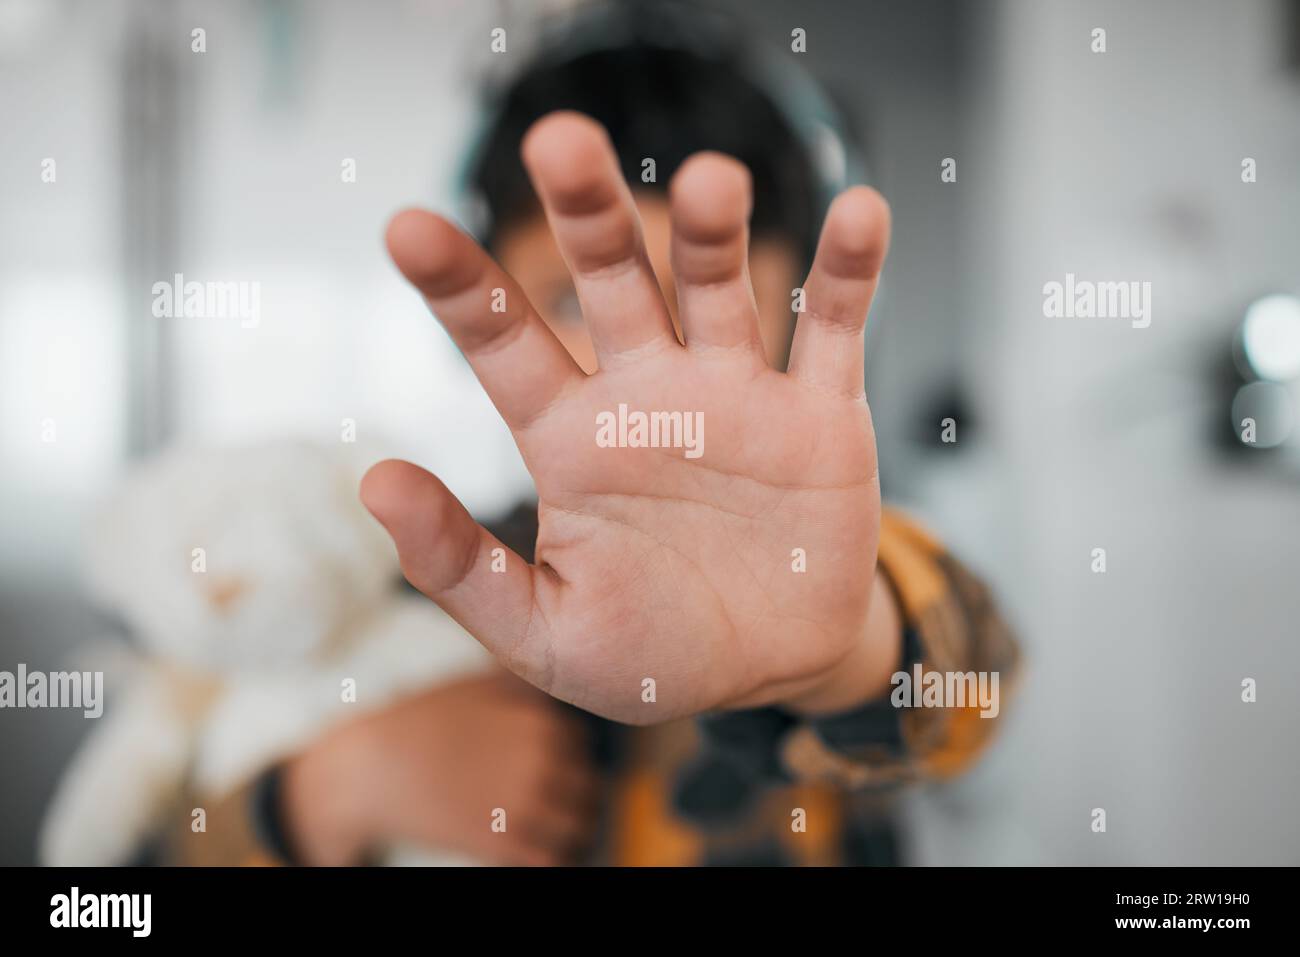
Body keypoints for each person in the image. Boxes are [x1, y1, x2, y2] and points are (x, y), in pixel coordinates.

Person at [163, 7, 1019, 867]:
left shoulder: (851, 562)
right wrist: (326, 794)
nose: (644, 354)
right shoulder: (413, 591)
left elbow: (973, 678)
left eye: (702, 294)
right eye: (576, 300)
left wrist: (842, 655)